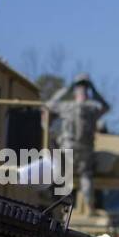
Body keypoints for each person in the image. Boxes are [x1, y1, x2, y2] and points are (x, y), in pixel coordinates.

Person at [45, 74, 110, 208]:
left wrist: (67, 89)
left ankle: (61, 206)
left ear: (75, 92)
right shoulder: (92, 108)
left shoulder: (67, 106)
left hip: (68, 146)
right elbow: (106, 107)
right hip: (86, 149)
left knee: (63, 175)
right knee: (86, 176)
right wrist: (94, 90)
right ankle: (88, 205)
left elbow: (49, 105)